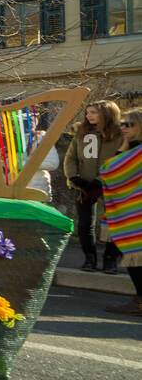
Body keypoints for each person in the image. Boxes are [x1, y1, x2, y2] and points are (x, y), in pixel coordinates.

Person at [64, 99, 124, 271]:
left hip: (112, 185)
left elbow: (122, 159)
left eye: (93, 112)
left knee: (116, 223)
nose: (88, 116)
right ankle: (89, 258)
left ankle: (110, 259)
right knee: (85, 224)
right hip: (83, 186)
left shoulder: (121, 134)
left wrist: (101, 179)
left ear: (107, 114)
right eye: (88, 112)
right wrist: (74, 177)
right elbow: (71, 157)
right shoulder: (81, 132)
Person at [102, 108, 142, 316]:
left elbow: (110, 170)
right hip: (132, 214)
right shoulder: (132, 149)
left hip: (137, 214)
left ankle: (139, 302)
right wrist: (125, 143)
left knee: (136, 258)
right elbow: (110, 169)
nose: (124, 128)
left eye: (130, 124)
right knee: (133, 258)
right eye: (122, 124)